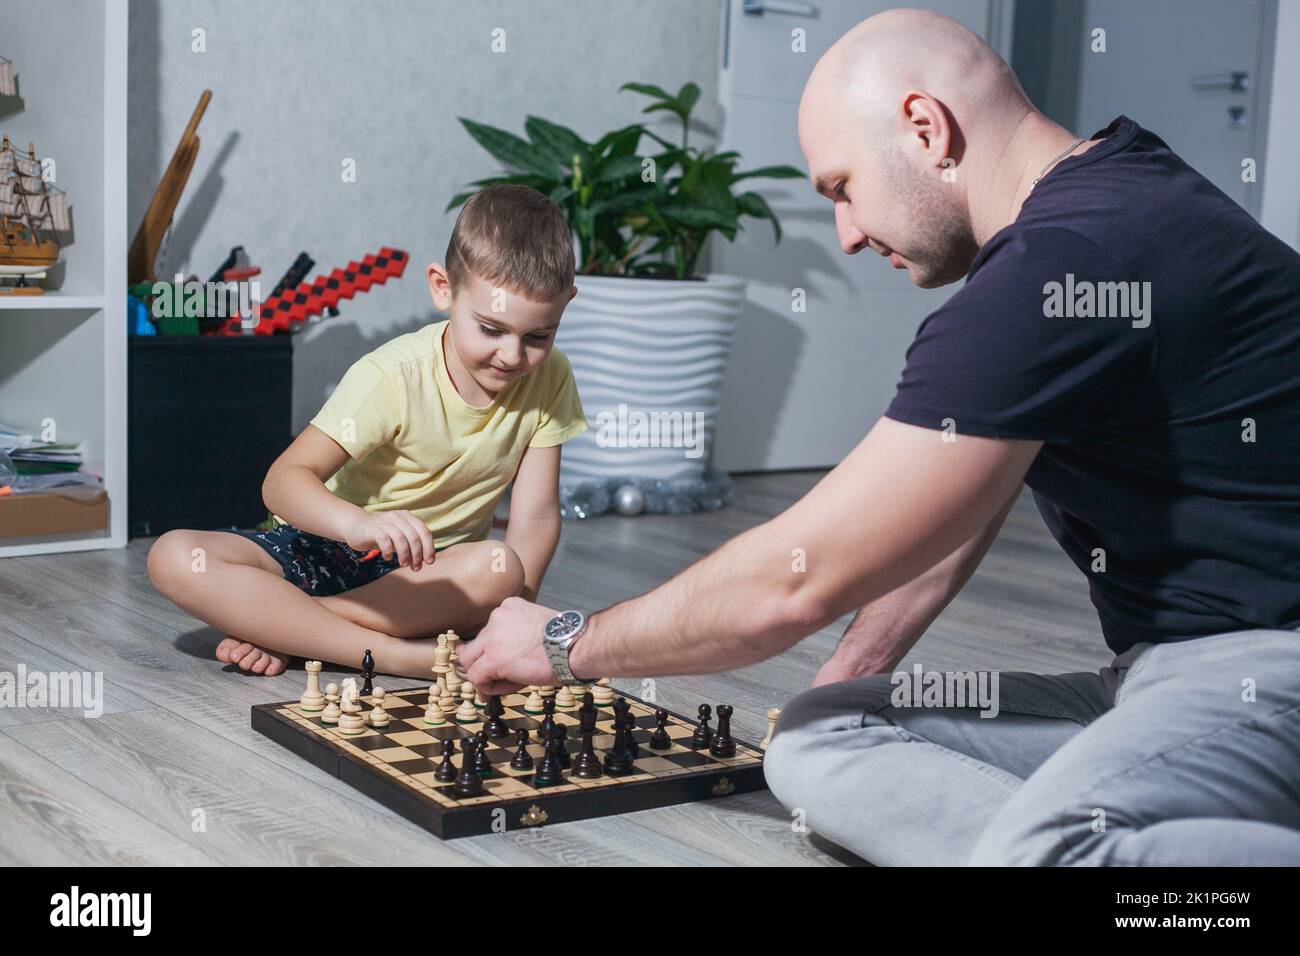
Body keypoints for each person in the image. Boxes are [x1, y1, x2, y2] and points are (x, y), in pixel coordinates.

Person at [459, 10, 1300, 865]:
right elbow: (953, 505)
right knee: (822, 734)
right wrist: (856, 666)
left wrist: (567, 644)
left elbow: (793, 584)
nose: (849, 233)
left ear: (926, 129)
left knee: (1047, 851)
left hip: (1264, 672)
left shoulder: (1064, 263)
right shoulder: (1119, 190)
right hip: (1156, 679)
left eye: (842, 188)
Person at [148, 185, 588, 679]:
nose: (512, 355)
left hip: (426, 579)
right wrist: (356, 525)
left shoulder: (551, 378)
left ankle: (290, 629)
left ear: (567, 304)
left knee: (501, 568)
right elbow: (283, 480)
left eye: (538, 337)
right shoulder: (392, 375)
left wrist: (516, 618)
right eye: (490, 329)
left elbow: (535, 515)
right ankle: (393, 654)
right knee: (175, 556)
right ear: (443, 288)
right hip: (324, 549)